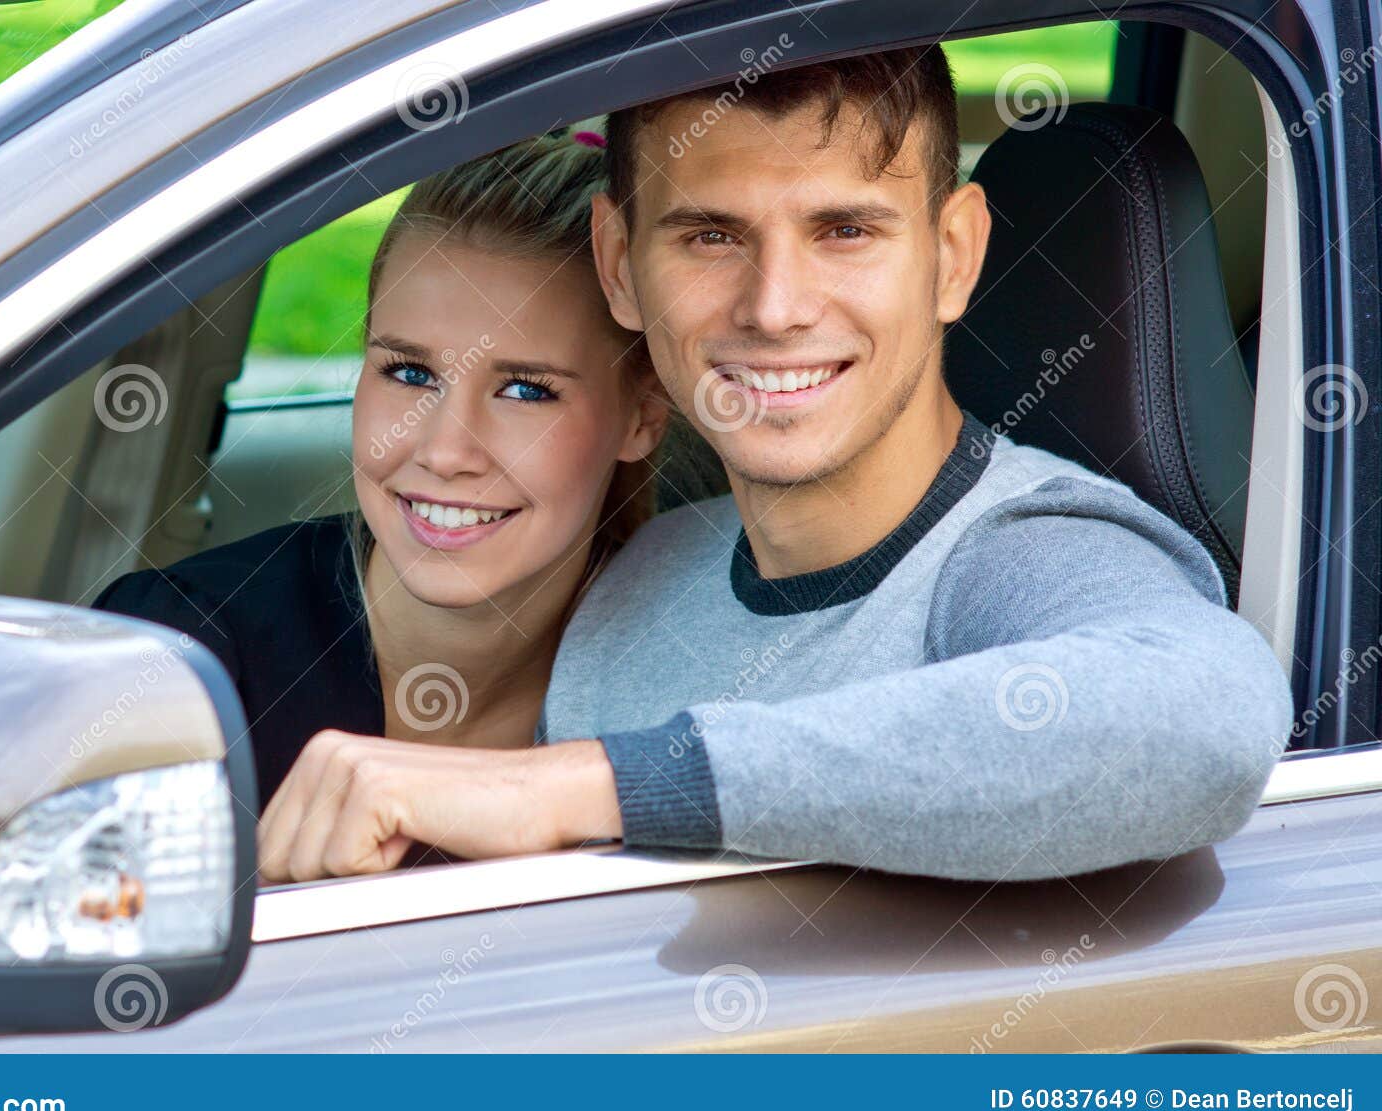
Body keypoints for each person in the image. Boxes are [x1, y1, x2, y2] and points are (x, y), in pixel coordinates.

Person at [253, 47, 1294, 885]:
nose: (774, 306)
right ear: (620, 266)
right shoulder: (647, 574)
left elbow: (1202, 722)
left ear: (955, 255)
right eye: (711, 235)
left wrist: (579, 787)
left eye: (844, 230)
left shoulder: (1017, 552)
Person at [95, 127, 668, 819]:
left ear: (642, 416)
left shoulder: (687, 663)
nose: (444, 450)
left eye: (525, 390)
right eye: (409, 372)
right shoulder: (177, 653)